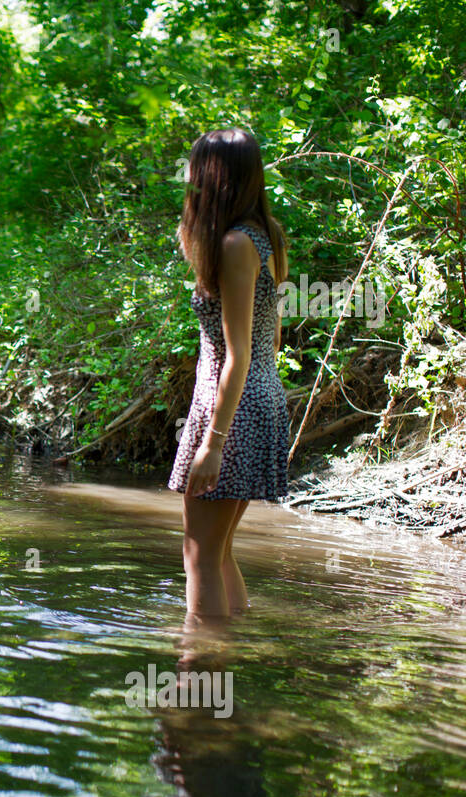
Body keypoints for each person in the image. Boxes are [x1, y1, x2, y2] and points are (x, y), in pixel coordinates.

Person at [167, 128, 290, 624]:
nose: (190, 181)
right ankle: (230, 655)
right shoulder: (266, 235)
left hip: (233, 409)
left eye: (196, 172)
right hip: (255, 399)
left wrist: (213, 443)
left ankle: (201, 672)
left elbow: (238, 353)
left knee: (199, 554)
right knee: (217, 552)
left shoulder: (238, 244)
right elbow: (273, 337)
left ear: (214, 176)